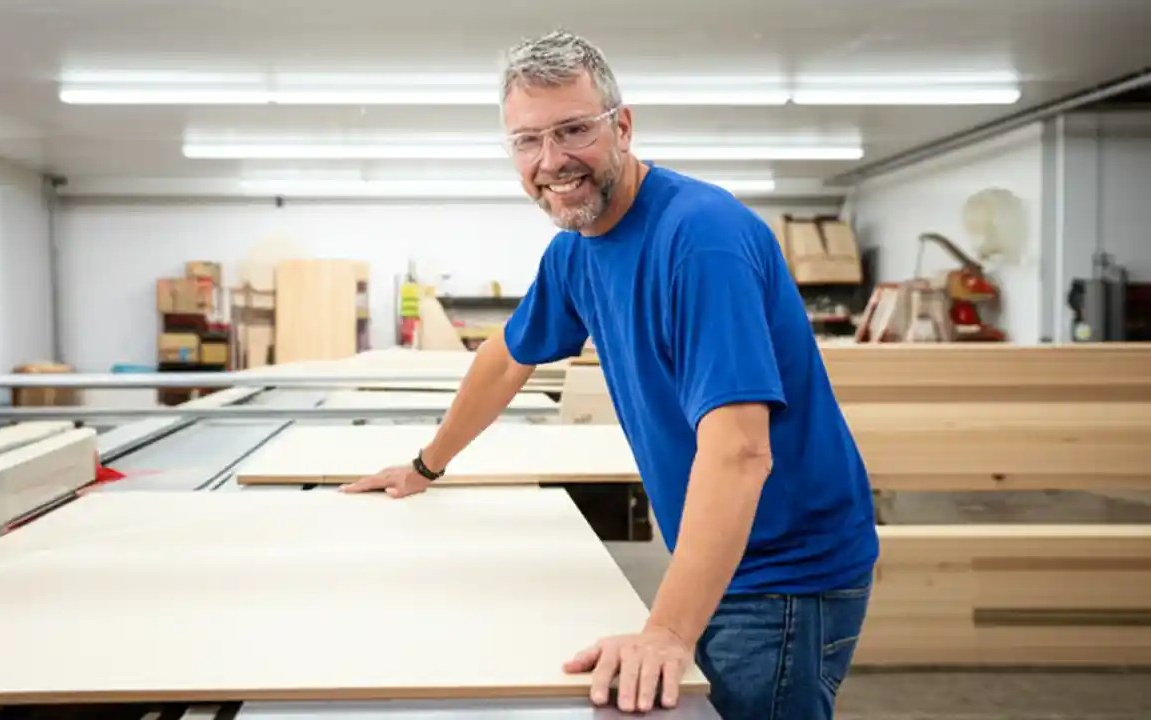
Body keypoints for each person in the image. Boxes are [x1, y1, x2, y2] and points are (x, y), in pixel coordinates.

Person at [342, 29, 879, 719]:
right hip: (724, 554)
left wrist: (666, 631)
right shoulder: (577, 250)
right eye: (527, 141)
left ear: (622, 126)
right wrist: (425, 465)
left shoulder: (700, 239)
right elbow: (507, 357)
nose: (551, 161)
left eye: (573, 131)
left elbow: (742, 452)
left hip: (783, 574)